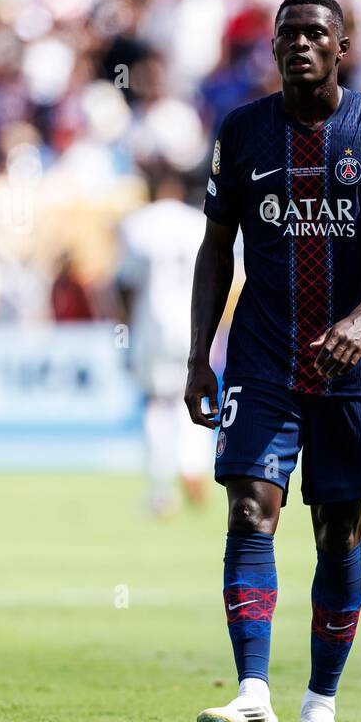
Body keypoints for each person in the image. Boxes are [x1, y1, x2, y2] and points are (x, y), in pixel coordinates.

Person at [187, 0, 361, 722]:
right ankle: (253, 691)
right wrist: (200, 354)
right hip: (262, 359)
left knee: (339, 534)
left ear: (341, 45)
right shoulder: (245, 131)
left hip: (352, 367)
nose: (300, 45)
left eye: (315, 34)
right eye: (287, 34)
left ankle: (320, 702)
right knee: (250, 507)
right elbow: (216, 248)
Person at [116, 168, 213, 517]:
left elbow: (125, 283)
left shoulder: (137, 225)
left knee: (157, 403)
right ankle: (194, 468)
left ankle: (160, 491)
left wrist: (125, 328)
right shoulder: (196, 221)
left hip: (152, 325)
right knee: (194, 398)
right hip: (195, 324)